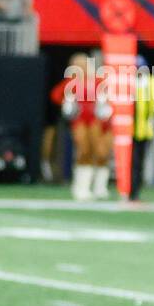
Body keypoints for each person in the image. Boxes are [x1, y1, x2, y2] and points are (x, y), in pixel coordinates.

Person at [51, 52, 112, 200]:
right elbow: (56, 95)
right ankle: (81, 187)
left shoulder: (98, 80)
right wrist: (68, 103)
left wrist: (105, 108)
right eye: (75, 65)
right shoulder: (71, 82)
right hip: (81, 121)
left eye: (81, 65)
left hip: (99, 121)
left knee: (101, 152)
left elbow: (109, 98)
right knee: (84, 151)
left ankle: (99, 187)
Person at [130, 56, 154, 202]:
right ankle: (130, 191)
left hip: (144, 128)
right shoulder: (129, 82)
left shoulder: (150, 81)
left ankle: (136, 191)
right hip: (130, 129)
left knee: (139, 162)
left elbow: (152, 105)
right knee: (131, 162)